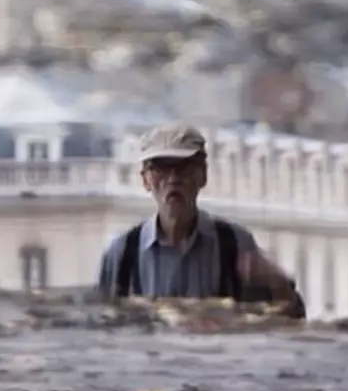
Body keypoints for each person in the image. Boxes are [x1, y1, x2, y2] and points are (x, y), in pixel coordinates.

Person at [97, 125, 306, 318]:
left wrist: (276, 283)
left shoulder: (233, 243)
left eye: (183, 167)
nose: (173, 179)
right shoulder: (123, 253)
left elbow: (289, 319)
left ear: (203, 175)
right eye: (161, 168)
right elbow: (105, 329)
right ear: (145, 180)